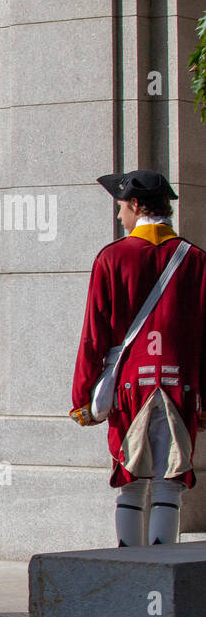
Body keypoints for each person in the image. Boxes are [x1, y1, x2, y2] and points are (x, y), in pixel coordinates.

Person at [70, 170, 206, 546]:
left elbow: (93, 337)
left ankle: (130, 563)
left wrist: (82, 396)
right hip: (181, 388)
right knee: (169, 486)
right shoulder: (196, 259)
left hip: (132, 388)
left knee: (131, 485)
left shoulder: (112, 258)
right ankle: (164, 568)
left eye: (120, 207)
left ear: (134, 205)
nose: (118, 216)